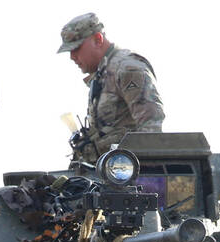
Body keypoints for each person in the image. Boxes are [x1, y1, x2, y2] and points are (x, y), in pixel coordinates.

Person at [58, 13, 164, 162]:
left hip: (124, 174)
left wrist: (140, 174)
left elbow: (151, 126)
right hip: (104, 171)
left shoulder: (127, 68)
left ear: (98, 39)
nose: (72, 56)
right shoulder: (103, 74)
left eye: (77, 48)